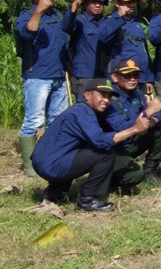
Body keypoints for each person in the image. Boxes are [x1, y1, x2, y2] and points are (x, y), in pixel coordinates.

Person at [32, 79, 152, 212]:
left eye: (109, 97)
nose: (106, 100)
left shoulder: (79, 110)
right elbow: (101, 141)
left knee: (81, 148)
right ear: (87, 95)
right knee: (105, 153)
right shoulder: (82, 112)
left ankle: (54, 192)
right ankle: (88, 199)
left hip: (44, 160)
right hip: (51, 166)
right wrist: (134, 129)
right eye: (102, 95)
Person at [15, 0, 70, 177]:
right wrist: (38, 10)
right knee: (34, 120)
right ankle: (29, 165)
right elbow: (27, 33)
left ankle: (51, 158)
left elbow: (65, 45)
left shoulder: (58, 15)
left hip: (59, 75)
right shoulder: (26, 15)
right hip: (36, 76)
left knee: (56, 120)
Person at [105, 57, 161, 189]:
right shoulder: (109, 98)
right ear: (115, 77)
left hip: (134, 141)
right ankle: (110, 179)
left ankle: (150, 170)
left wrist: (151, 121)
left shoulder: (138, 94)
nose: (133, 79)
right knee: (134, 176)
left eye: (135, 75)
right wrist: (147, 113)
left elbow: (158, 112)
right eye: (127, 76)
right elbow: (119, 127)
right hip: (116, 148)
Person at [99, 0, 153, 93]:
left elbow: (144, 51)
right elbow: (102, 38)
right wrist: (119, 17)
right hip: (121, 78)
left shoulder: (137, 24)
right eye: (127, 2)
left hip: (139, 77)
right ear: (117, 3)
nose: (131, 5)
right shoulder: (109, 21)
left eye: (134, 2)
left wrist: (149, 78)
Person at [62, 0, 108, 95]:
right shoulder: (79, 20)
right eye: (94, 2)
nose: (98, 5)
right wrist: (74, 5)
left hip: (104, 75)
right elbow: (66, 26)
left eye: (101, 3)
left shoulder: (106, 22)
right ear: (85, 4)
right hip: (85, 75)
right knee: (85, 108)